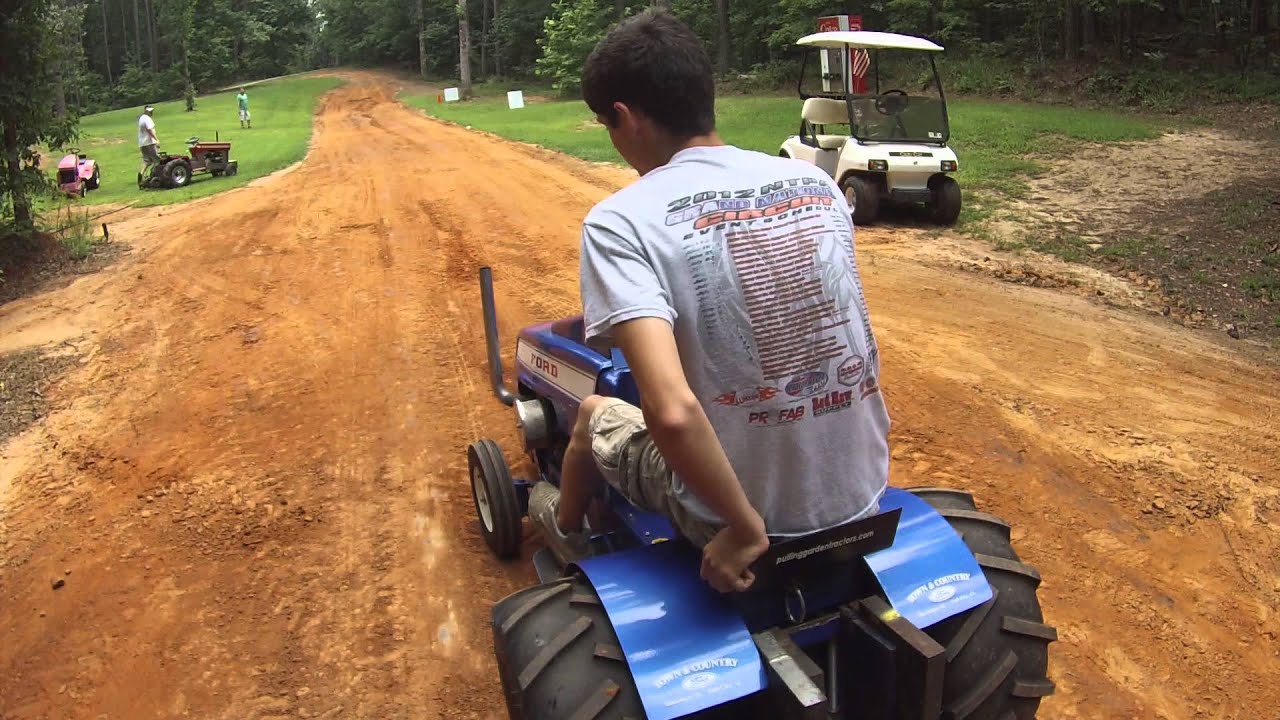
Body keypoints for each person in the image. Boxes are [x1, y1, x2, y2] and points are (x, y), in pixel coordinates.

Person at [527, 10, 891, 594]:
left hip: (754, 525)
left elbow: (670, 412)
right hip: (863, 493)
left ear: (623, 117)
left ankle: (565, 526)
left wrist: (745, 529)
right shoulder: (817, 184)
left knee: (596, 414)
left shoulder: (621, 221)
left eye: (606, 126)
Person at [137, 105, 159, 183]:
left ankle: (141, 173)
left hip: (142, 143)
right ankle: (155, 176)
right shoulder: (147, 119)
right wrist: (156, 140)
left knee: (146, 160)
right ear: (146, 111)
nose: (151, 112)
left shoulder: (141, 118)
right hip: (150, 142)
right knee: (157, 160)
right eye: (150, 111)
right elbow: (150, 130)